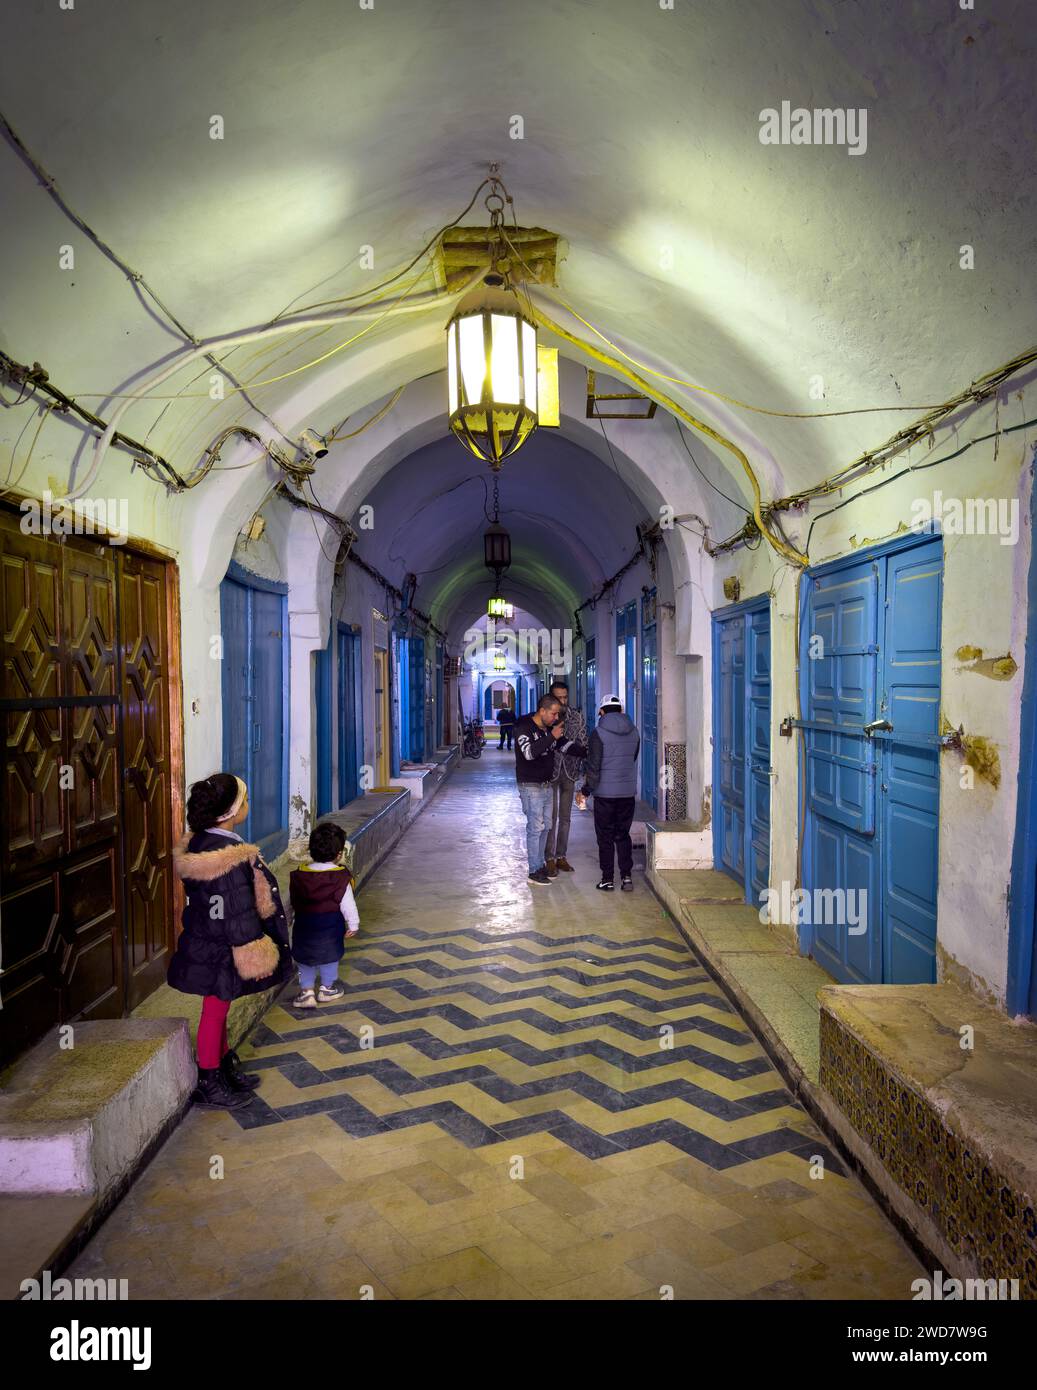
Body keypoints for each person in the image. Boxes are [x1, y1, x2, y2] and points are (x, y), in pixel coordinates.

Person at [170, 773, 293, 1110]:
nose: (249, 806)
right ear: (230, 811)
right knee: (215, 1009)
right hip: (224, 946)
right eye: (246, 800)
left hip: (209, 940)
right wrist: (253, 946)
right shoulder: (227, 857)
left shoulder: (204, 843)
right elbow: (237, 912)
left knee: (219, 1006)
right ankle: (208, 1081)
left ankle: (222, 1066)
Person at [514, 693, 586, 887]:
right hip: (531, 786)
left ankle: (541, 865)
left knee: (547, 826)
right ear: (542, 710)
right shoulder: (524, 727)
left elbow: (564, 745)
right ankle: (533, 870)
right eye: (553, 714)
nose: (556, 718)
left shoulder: (547, 730)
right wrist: (551, 737)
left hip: (546, 785)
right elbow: (529, 753)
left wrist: (588, 752)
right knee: (535, 828)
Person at [288, 821, 359, 1009]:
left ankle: (306, 992)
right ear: (339, 854)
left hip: (304, 926)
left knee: (305, 960)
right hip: (330, 927)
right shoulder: (340, 877)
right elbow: (348, 905)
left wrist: (288, 919)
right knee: (330, 958)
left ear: (310, 850)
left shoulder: (299, 875)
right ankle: (327, 989)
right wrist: (353, 925)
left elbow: (291, 902)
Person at [577, 694, 640, 892]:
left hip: (605, 794)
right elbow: (632, 758)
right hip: (627, 793)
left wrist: (585, 790)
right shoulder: (634, 732)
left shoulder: (598, 733)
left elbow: (594, 767)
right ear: (621, 710)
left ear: (601, 712)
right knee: (622, 835)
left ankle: (607, 879)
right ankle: (627, 878)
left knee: (605, 837)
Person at [544, 679, 586, 878]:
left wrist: (584, 775)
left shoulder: (576, 718)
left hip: (569, 772)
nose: (562, 702)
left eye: (565, 697)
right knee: (550, 818)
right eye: (558, 698)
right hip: (549, 773)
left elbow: (583, 743)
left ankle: (561, 855)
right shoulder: (546, 718)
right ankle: (549, 858)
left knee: (566, 818)